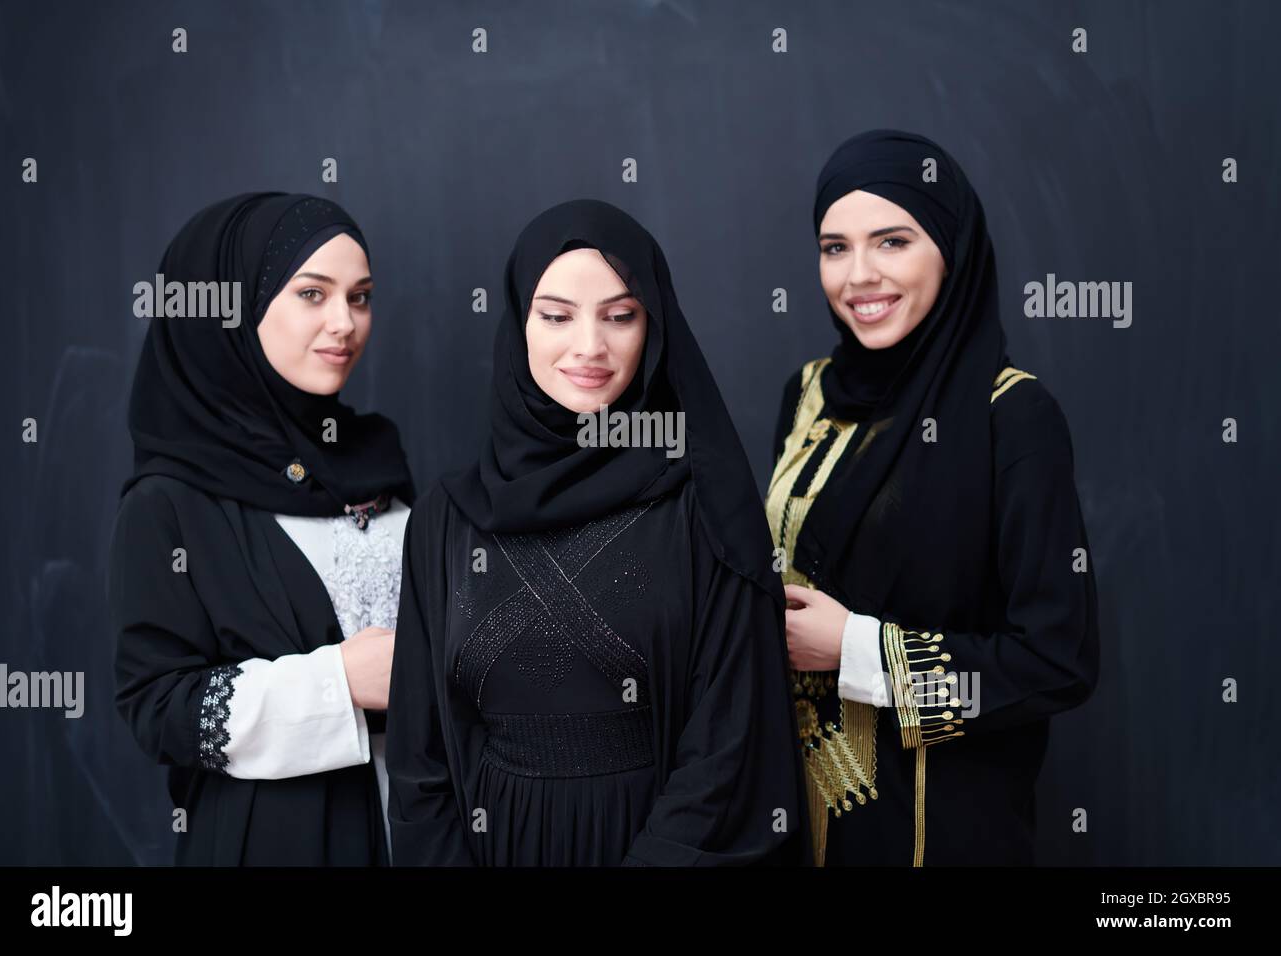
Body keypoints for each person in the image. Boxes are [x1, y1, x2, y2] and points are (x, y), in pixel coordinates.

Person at [387, 199, 807, 866]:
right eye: (556, 315)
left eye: (620, 315)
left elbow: (730, 745)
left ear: (656, 328)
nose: (590, 346)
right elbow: (420, 756)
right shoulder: (447, 516)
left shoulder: (704, 505)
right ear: (518, 321)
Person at [766, 130, 1100, 866]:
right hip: (795, 811)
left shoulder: (1010, 417)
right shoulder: (809, 394)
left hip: (940, 829)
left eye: (892, 242)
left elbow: (1056, 660)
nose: (858, 276)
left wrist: (856, 648)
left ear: (950, 248)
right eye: (834, 247)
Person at [109, 192, 414, 865]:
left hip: (417, 831)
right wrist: (339, 679)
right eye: (312, 294)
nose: (345, 323)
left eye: (360, 297)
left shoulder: (375, 461)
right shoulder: (170, 502)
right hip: (273, 844)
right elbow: (157, 707)